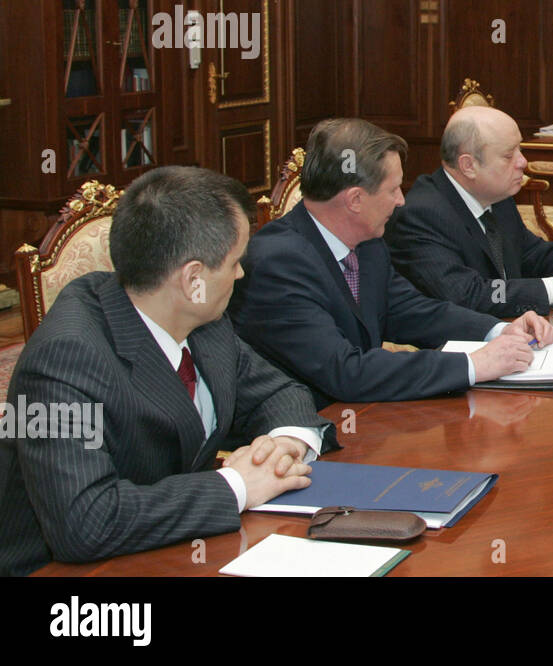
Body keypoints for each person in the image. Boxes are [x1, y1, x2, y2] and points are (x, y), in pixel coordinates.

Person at [0, 167, 336, 576]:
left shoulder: (201, 319)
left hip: (181, 549)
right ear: (193, 278)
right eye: (234, 263)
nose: (241, 274)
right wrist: (238, 486)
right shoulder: (61, 360)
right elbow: (85, 521)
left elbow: (276, 392)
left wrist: (284, 446)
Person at [231, 118, 553, 408]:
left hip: (366, 415)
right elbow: (346, 372)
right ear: (355, 199)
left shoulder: (369, 244)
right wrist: (473, 365)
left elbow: (412, 311)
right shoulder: (277, 265)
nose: (402, 201)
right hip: (308, 435)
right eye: (393, 189)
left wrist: (497, 331)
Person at [386, 105, 553, 317]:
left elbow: (532, 252)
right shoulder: (422, 215)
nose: (523, 162)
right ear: (468, 166)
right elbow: (465, 294)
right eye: (509, 155)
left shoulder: (496, 196)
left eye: (519, 150)